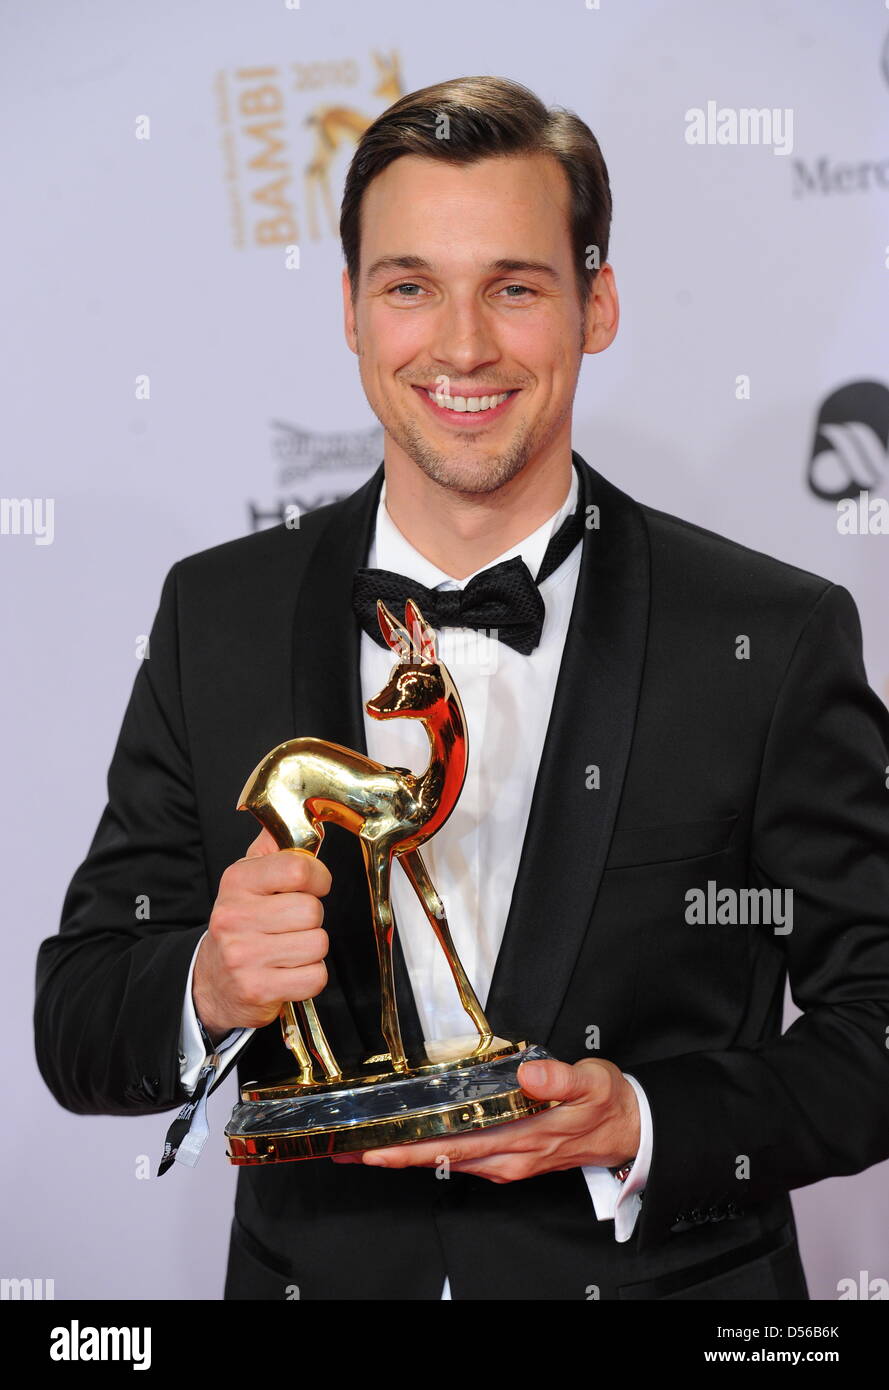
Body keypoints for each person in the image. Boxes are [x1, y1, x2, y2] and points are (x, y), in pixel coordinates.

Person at [35, 75, 889, 1301]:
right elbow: (77, 1019)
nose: (462, 345)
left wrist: (644, 1117)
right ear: (349, 309)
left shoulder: (769, 633)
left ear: (595, 304)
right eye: (409, 286)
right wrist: (205, 987)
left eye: (516, 285)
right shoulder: (212, 613)